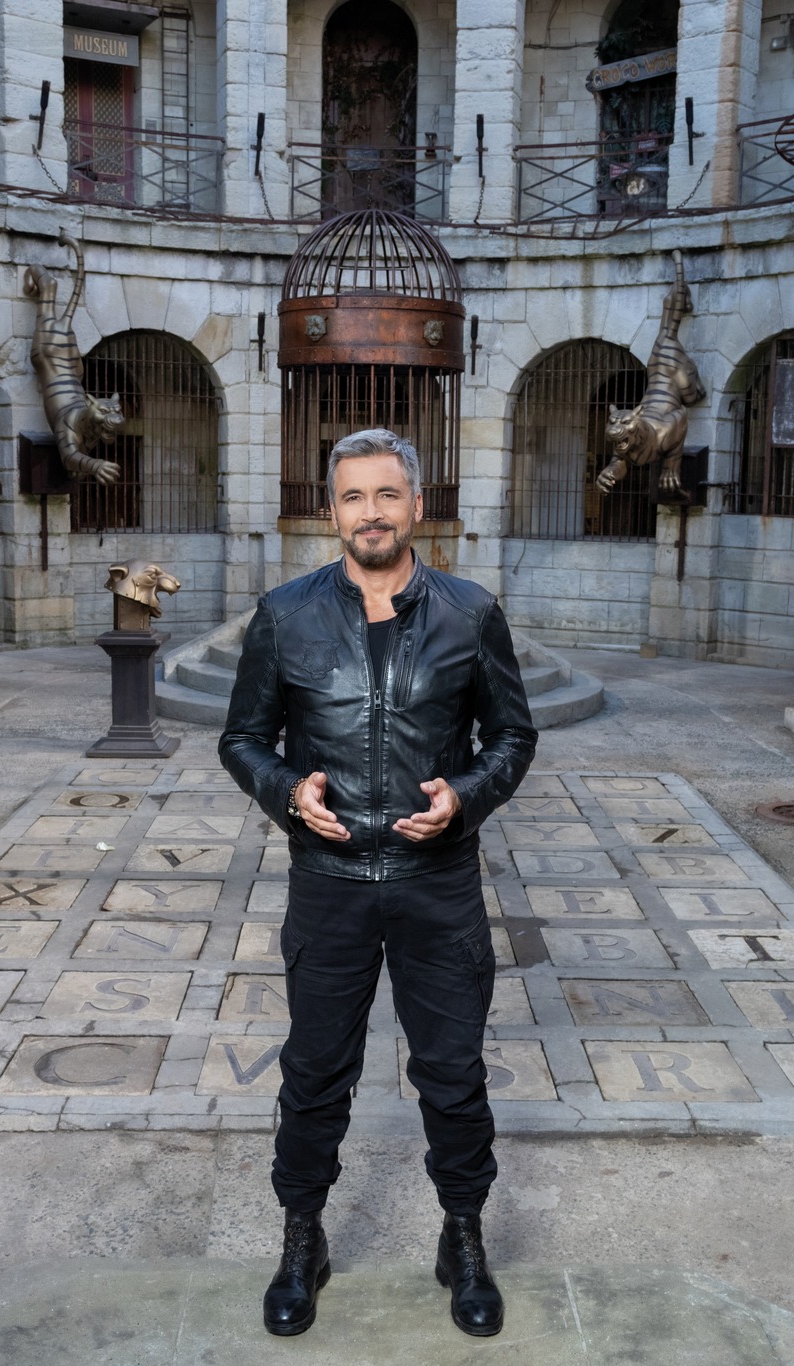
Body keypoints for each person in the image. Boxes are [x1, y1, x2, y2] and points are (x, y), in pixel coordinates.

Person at [220, 428, 538, 1339]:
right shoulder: (285, 615)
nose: (371, 513)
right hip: (330, 882)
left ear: (416, 506)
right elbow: (241, 739)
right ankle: (302, 1239)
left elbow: (513, 738)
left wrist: (465, 797)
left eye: (387, 495)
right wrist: (288, 791)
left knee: (453, 1073)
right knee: (315, 1071)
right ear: (333, 512)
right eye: (354, 497)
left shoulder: (471, 613)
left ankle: (463, 1240)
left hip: (438, 884)